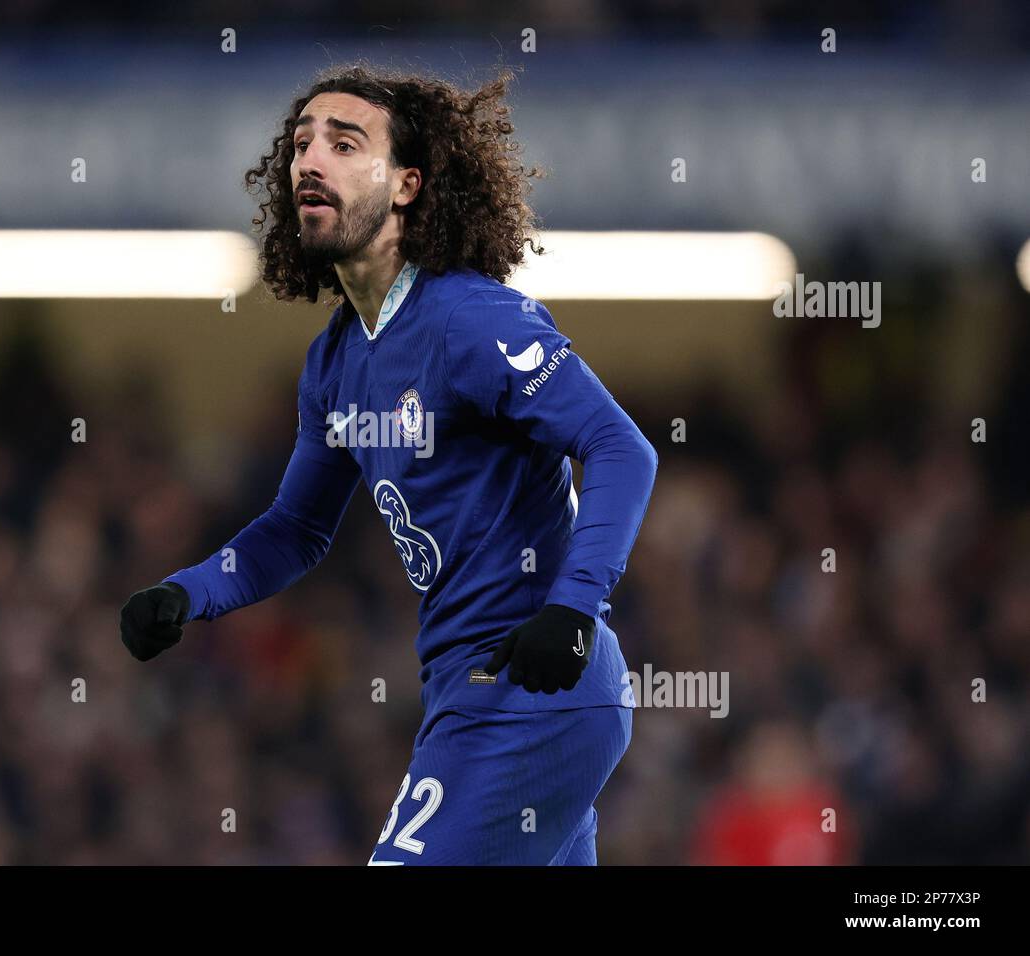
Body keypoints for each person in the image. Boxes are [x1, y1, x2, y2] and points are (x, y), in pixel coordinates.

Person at [120, 64, 658, 865]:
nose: (310, 160)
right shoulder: (334, 363)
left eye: (343, 143)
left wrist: (574, 609)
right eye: (301, 144)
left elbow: (621, 447)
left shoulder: (471, 320)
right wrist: (186, 591)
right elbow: (297, 528)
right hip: (463, 692)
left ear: (407, 185)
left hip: (533, 683)